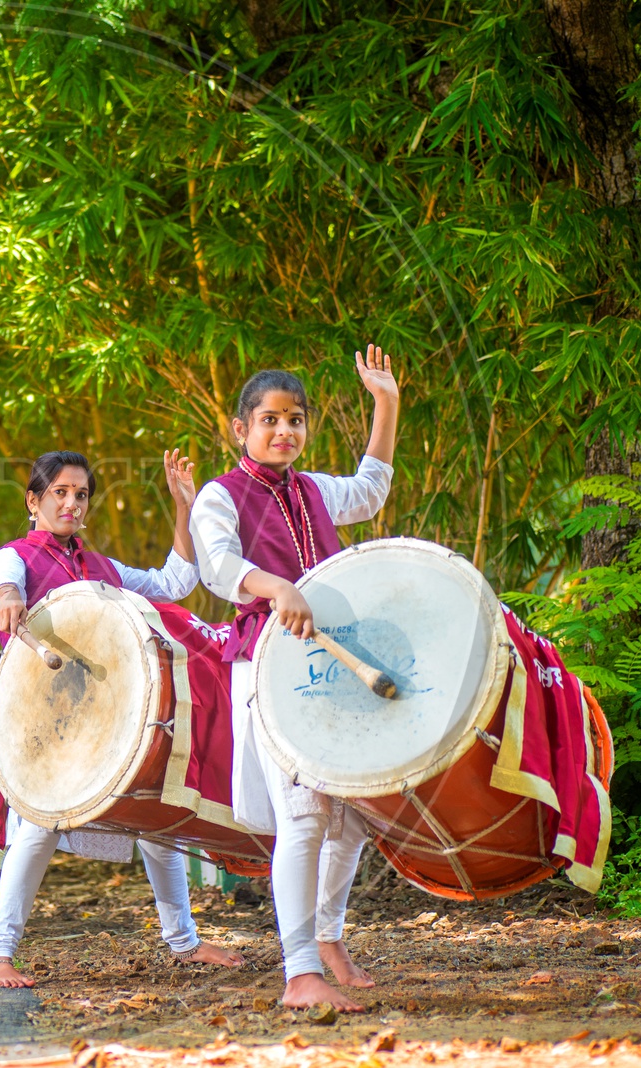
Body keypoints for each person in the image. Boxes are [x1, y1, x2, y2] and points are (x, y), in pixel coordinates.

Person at [0, 449, 242, 989]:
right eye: (59, 493)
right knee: (36, 829)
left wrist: (183, 505)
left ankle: (184, 943)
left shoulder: (102, 568)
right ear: (33, 500)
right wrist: (7, 598)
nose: (71, 503)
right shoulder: (13, 557)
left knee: (155, 814)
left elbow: (174, 584)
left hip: (112, 716)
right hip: (47, 720)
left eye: (80, 495)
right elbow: (3, 585)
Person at [190, 348, 400, 1012]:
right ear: (239, 428)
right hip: (268, 664)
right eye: (270, 420)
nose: (284, 432)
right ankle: (300, 973)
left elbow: (369, 492)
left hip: (336, 665)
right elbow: (218, 566)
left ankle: (328, 940)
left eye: (296, 420)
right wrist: (276, 584)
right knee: (305, 814)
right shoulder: (219, 495)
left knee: (354, 813)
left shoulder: (312, 489)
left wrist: (386, 403)